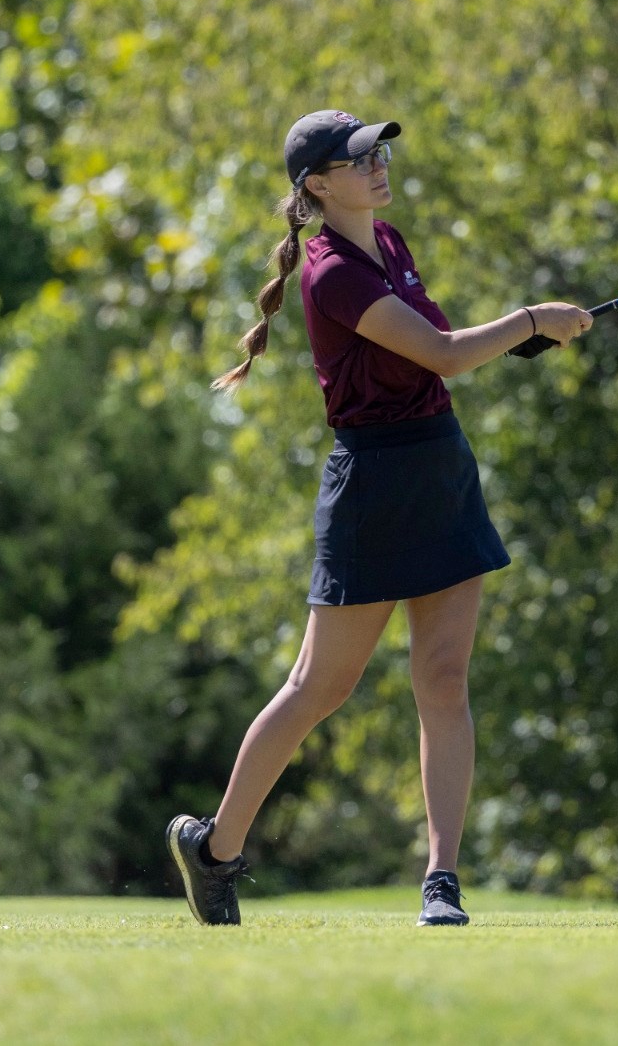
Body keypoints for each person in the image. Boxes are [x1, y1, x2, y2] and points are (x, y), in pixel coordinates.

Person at [166, 110, 592, 927]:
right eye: (359, 159)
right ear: (318, 186)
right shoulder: (330, 272)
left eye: (379, 152)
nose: (378, 165)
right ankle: (215, 848)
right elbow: (444, 353)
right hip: (373, 485)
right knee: (320, 687)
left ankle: (442, 880)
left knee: (444, 677)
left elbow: (436, 345)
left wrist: (519, 338)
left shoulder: (389, 242)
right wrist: (533, 320)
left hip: (440, 467)